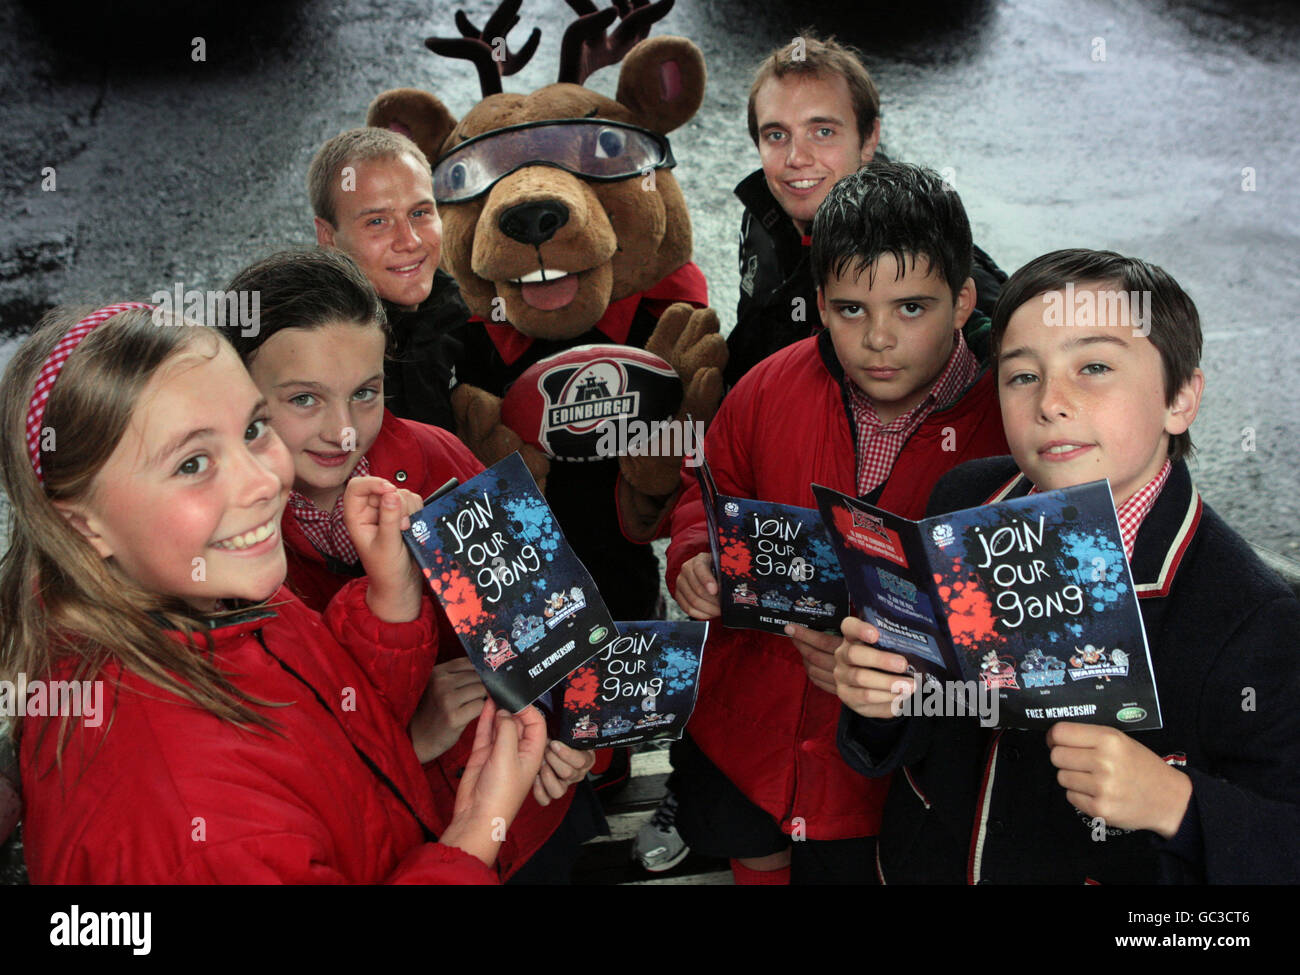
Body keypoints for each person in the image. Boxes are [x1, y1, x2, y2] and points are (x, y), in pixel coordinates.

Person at [0, 302, 547, 883]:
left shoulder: (202, 592)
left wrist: (389, 598)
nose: (265, 481)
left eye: (254, 429)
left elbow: (316, 715)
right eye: (193, 463)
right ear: (84, 525)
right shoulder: (187, 815)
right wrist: (476, 829)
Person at [834, 249, 1300, 883]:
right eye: (1022, 375)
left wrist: (1179, 804)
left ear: (1181, 399)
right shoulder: (961, 500)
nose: (1051, 401)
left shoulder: (1256, 623)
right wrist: (880, 703)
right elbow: (926, 722)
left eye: (1095, 366)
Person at [659, 163, 1009, 884]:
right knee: (745, 838)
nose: (878, 338)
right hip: (744, 724)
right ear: (819, 301)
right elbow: (709, 490)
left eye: (911, 308)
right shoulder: (764, 387)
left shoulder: (1007, 433)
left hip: (883, 772)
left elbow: (1018, 634)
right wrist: (695, 552)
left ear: (964, 297)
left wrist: (909, 671)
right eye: (851, 309)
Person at [224, 248, 607, 883]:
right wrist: (408, 740)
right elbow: (278, 769)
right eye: (303, 399)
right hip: (399, 845)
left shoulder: (438, 455)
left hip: (529, 809)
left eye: (365, 394)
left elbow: (554, 616)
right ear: (239, 395)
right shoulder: (229, 546)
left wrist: (573, 731)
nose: (343, 432)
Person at [725, 32, 1006, 388]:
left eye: (823, 131)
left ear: (869, 138)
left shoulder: (921, 243)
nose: (795, 159)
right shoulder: (763, 212)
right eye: (777, 135)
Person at [308, 127, 467, 432]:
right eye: (377, 222)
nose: (410, 241)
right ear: (328, 237)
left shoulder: (466, 313)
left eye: (420, 213)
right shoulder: (316, 358)